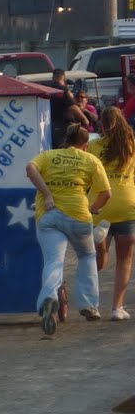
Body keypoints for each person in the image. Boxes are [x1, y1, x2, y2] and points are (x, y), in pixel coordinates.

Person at [26, 124, 110, 326]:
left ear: (67, 139)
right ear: (85, 144)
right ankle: (89, 305)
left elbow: (30, 168)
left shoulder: (48, 156)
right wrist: (93, 208)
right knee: (87, 256)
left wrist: (47, 194)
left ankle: (49, 297)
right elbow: (106, 194)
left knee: (54, 261)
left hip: (49, 215)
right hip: (79, 216)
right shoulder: (90, 159)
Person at [89, 106, 135, 322]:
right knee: (124, 259)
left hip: (99, 206)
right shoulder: (131, 145)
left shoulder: (92, 146)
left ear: (102, 124)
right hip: (127, 205)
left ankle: (90, 303)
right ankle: (117, 308)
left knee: (95, 258)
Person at [46, 69, 71, 148]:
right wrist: (84, 119)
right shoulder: (63, 89)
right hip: (61, 125)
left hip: (49, 124)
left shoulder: (47, 88)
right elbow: (72, 106)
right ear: (64, 78)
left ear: (53, 78)